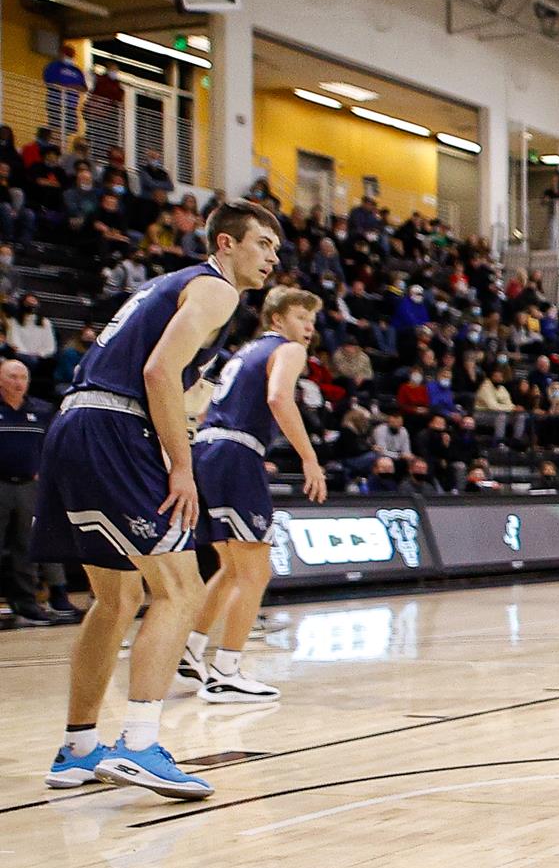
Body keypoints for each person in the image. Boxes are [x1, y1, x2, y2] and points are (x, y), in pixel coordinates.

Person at [31, 199, 280, 799]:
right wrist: (182, 466)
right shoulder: (216, 290)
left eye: (276, 248)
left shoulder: (167, 288)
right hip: (116, 430)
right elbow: (158, 372)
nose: (272, 256)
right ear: (225, 244)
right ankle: (140, 744)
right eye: (263, 243)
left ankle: (79, 747)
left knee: (115, 598)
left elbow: (164, 378)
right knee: (181, 588)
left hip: (73, 425)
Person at [176, 288, 327, 703]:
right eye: (301, 317)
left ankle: (190, 652)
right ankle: (226, 671)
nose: (308, 328)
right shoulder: (287, 349)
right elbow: (279, 397)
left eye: (312, 321)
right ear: (277, 320)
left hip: (207, 449)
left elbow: (206, 410)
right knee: (255, 572)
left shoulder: (244, 353)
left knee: (230, 566)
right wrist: (309, 458)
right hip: (234, 453)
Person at [0, 358, 76, 627]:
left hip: (29, 487)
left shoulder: (41, 410)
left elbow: (53, 444)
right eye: (12, 377)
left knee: (27, 548)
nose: (18, 382)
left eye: (22, 377)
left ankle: (28, 604)